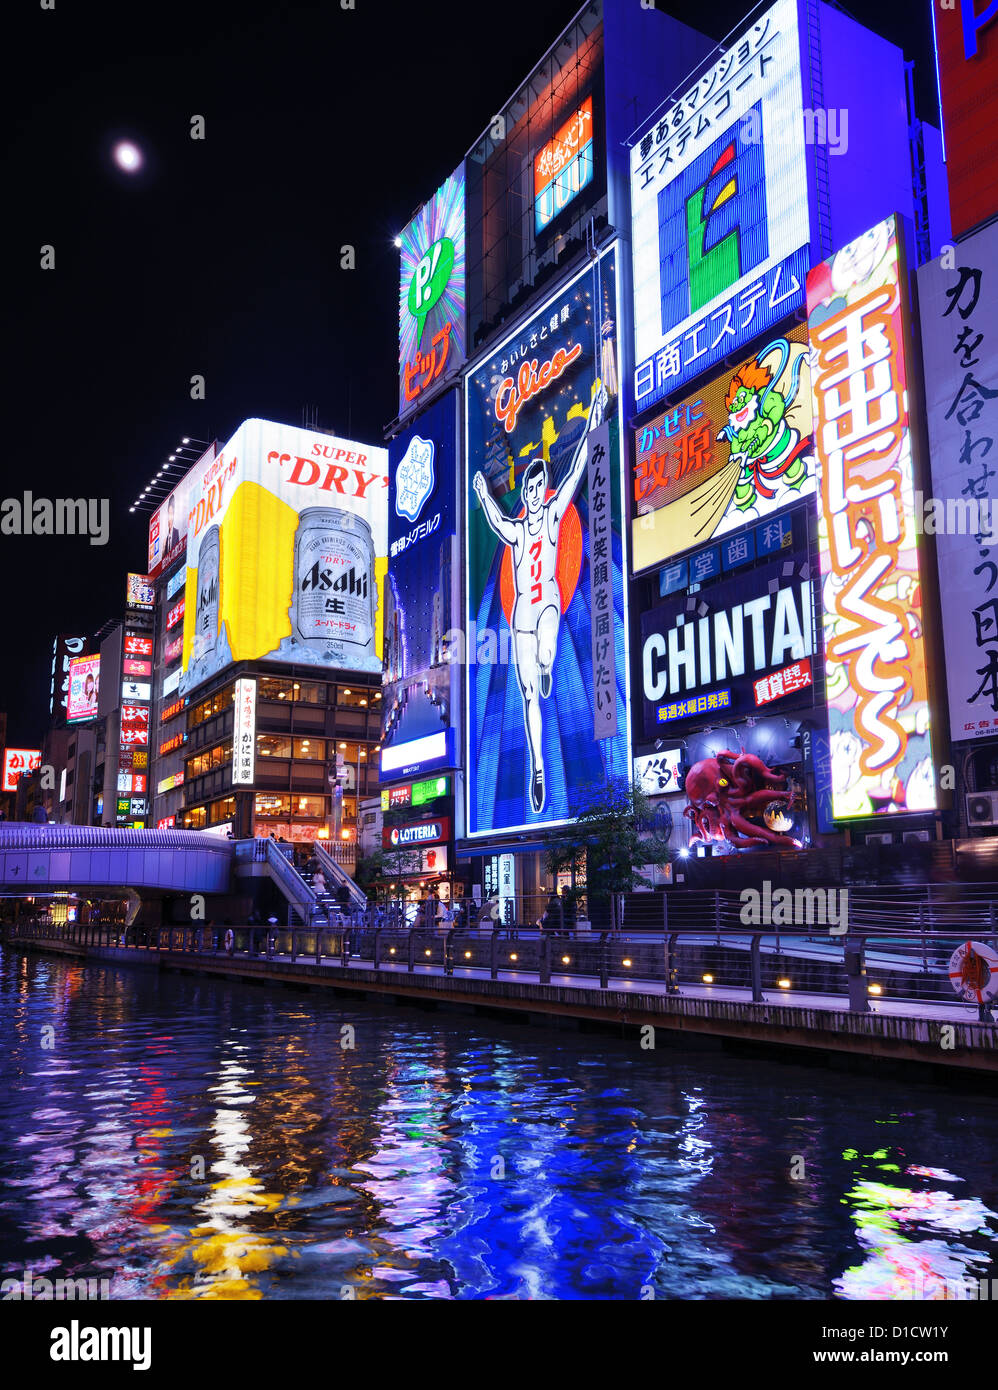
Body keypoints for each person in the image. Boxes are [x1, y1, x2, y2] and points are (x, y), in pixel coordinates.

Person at [472, 383, 607, 813]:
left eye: (536, 488)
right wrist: (480, 492)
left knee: (547, 647)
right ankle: (537, 766)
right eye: (529, 490)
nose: (532, 495)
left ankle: (549, 663)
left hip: (547, 599)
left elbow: (574, 474)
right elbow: (495, 520)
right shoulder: (515, 529)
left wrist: (596, 417)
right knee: (529, 693)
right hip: (520, 614)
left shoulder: (550, 517)